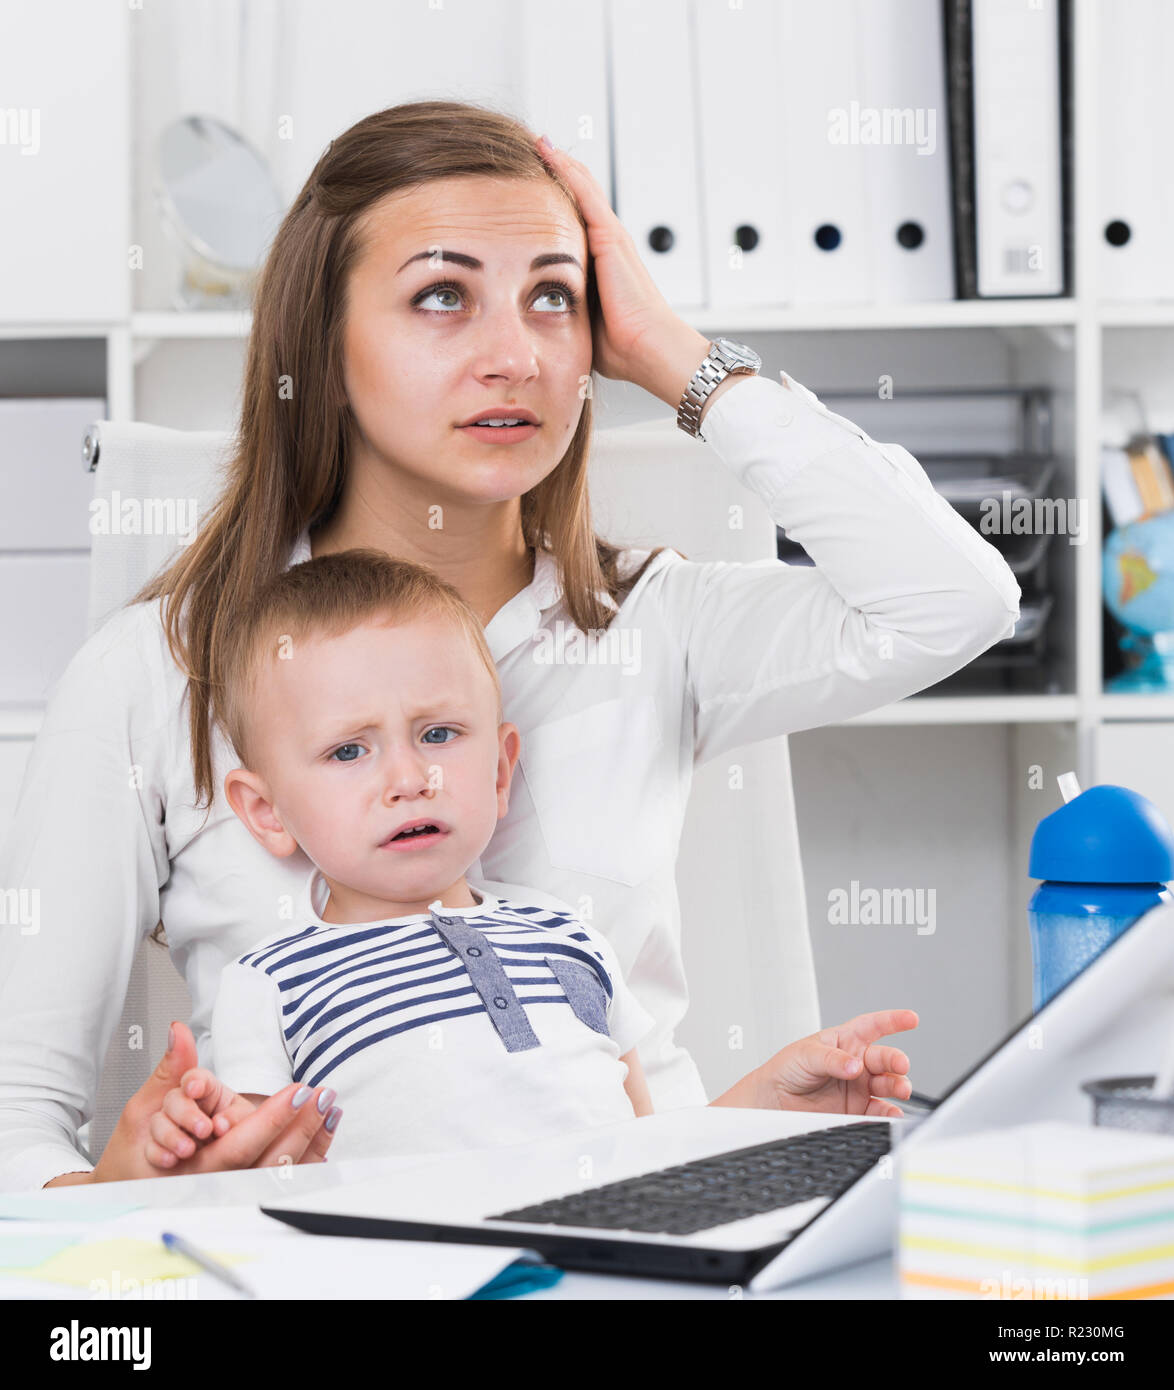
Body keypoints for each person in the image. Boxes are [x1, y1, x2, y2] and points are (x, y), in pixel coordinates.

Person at [0, 101, 1021, 1191]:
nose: (516, 356)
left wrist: (679, 357)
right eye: (442, 296)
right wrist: (117, 1194)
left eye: (553, 298)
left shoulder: (652, 624)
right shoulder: (155, 673)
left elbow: (955, 601)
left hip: (638, 1246)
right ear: (321, 346)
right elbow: (17, 1119)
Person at [143, 550, 919, 1169]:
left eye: (439, 734)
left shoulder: (570, 936)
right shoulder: (268, 985)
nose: (410, 779)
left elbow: (652, 1161)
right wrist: (186, 1139)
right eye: (349, 750)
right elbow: (245, 1188)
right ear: (266, 812)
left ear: (500, 768)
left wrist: (765, 1104)